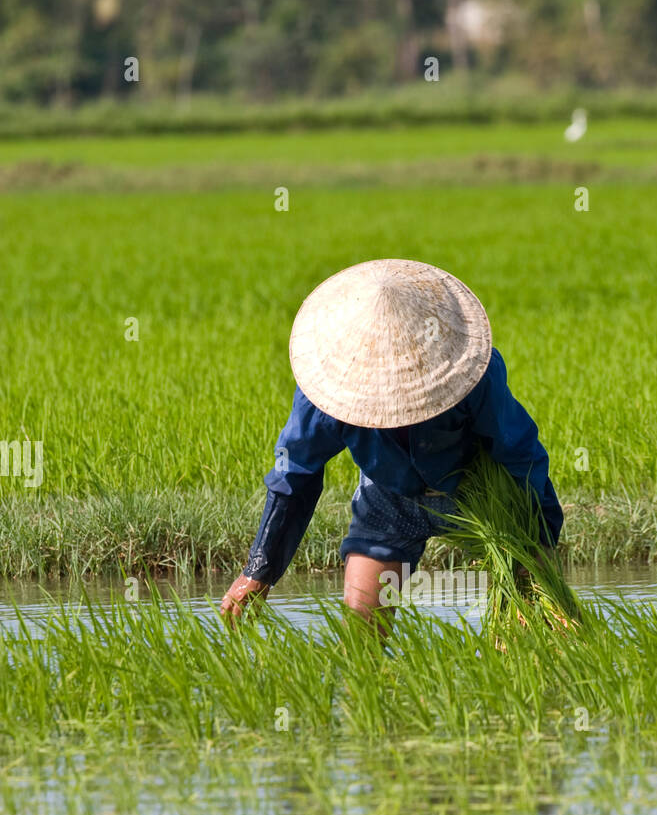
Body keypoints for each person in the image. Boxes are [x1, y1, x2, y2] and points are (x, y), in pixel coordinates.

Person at [221, 258, 563, 626]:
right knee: (361, 632)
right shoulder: (328, 395)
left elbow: (519, 450)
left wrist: (538, 541)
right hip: (388, 499)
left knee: (535, 622)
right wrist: (259, 570)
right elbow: (295, 475)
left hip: (476, 492)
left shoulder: (469, 373)